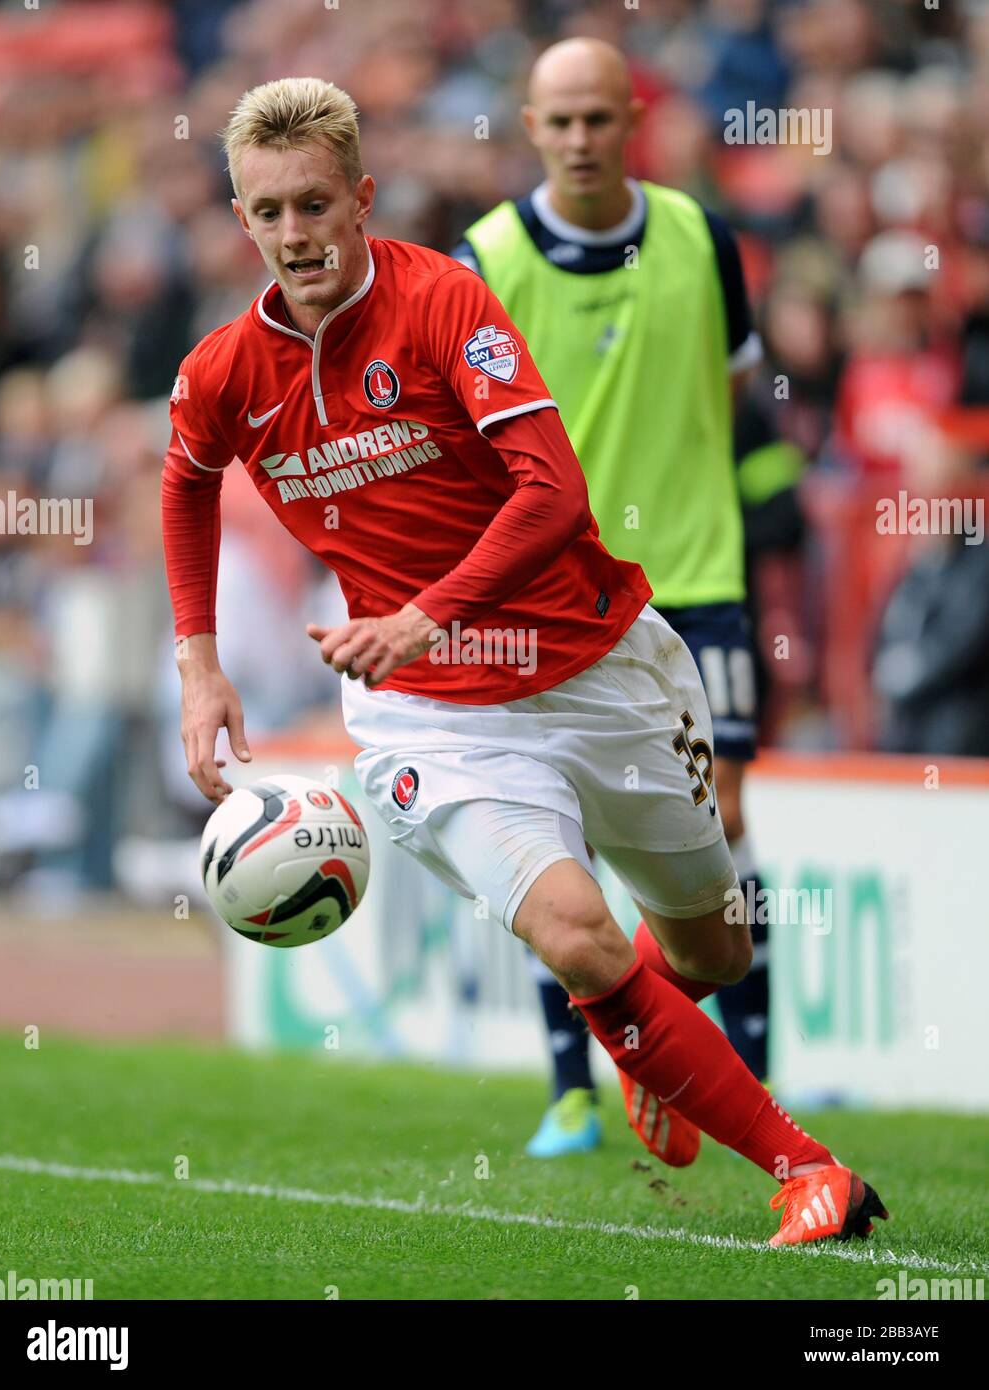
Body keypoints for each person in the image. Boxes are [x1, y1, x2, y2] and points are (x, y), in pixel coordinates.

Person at [161, 75, 887, 1247]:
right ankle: (809, 1173)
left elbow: (554, 494)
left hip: (595, 666)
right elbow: (186, 481)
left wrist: (424, 613)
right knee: (575, 933)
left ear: (362, 199)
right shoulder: (222, 370)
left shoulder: (444, 301)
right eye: (269, 211)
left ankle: (662, 1043)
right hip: (431, 719)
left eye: (315, 205)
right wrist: (200, 665)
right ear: (241, 217)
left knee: (712, 947)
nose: (295, 234)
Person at [455, 39, 771, 1159]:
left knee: (722, 823)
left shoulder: (702, 237)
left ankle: (717, 1070)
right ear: (530, 127)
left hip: (697, 578)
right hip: (555, 593)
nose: (581, 139)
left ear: (633, 119)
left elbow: (736, 385)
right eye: (560, 121)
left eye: (599, 117)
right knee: (558, 838)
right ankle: (573, 1091)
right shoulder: (486, 258)